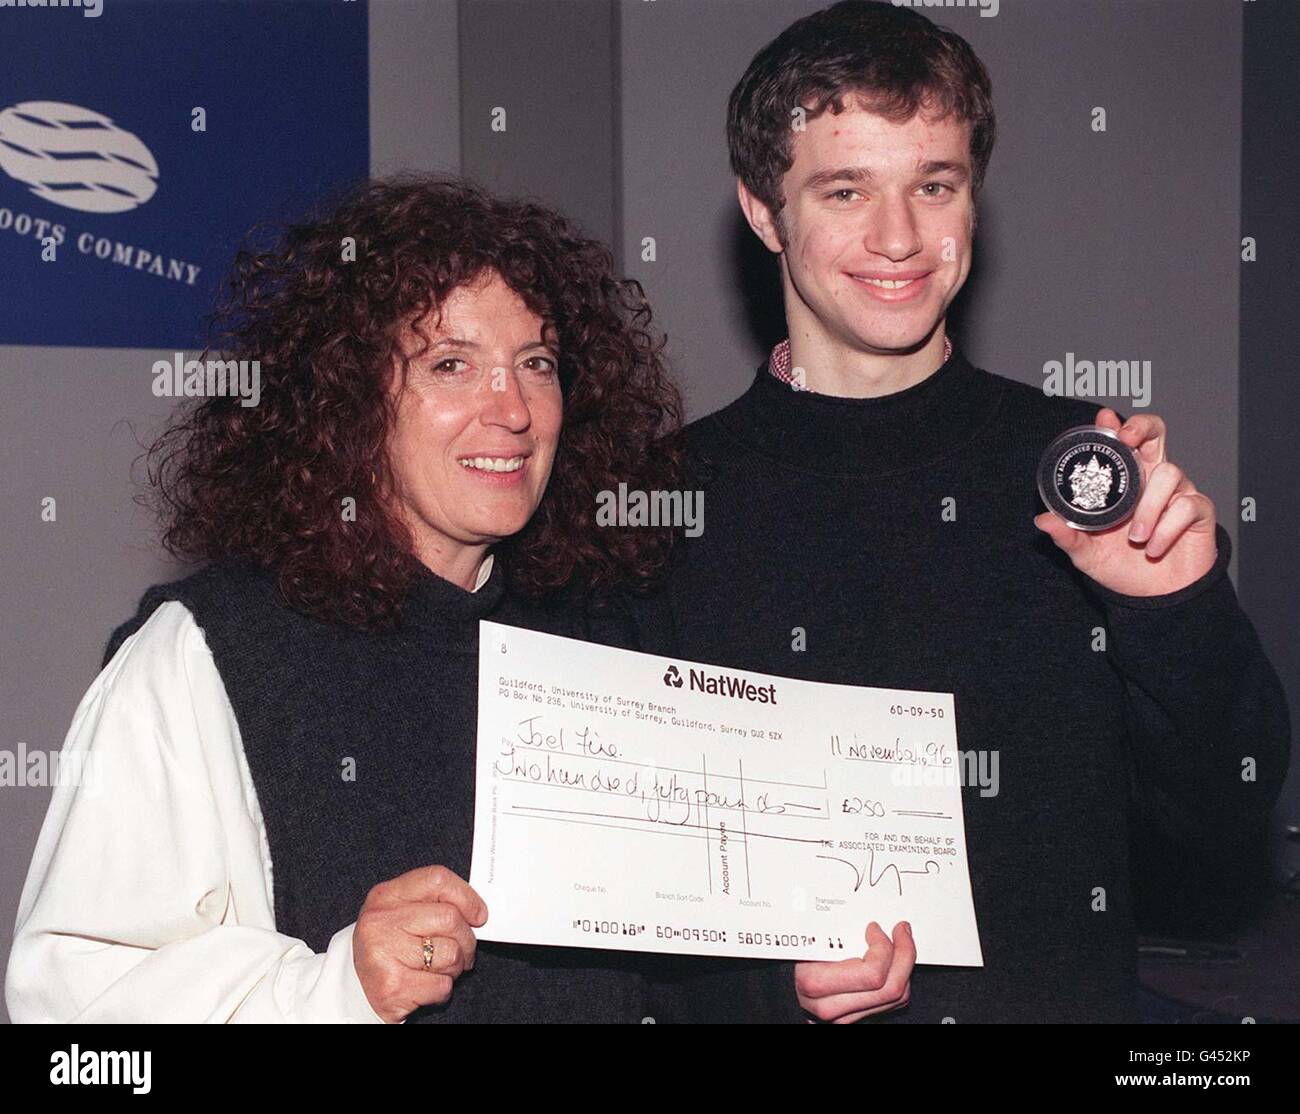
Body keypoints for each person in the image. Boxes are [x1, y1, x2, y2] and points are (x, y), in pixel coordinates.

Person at [627, 0, 1292, 1023]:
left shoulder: (1084, 475)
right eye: (845, 190)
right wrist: (763, 990)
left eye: (933, 186)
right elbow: (623, 899)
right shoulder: (659, 509)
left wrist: (1173, 611)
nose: (899, 238)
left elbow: (1220, 829)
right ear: (764, 213)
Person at [4, 175, 683, 1023]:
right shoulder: (208, 651)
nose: (511, 409)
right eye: (451, 364)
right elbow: (72, 1006)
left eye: (536, 364)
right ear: (352, 398)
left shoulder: (606, 643)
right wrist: (335, 989)